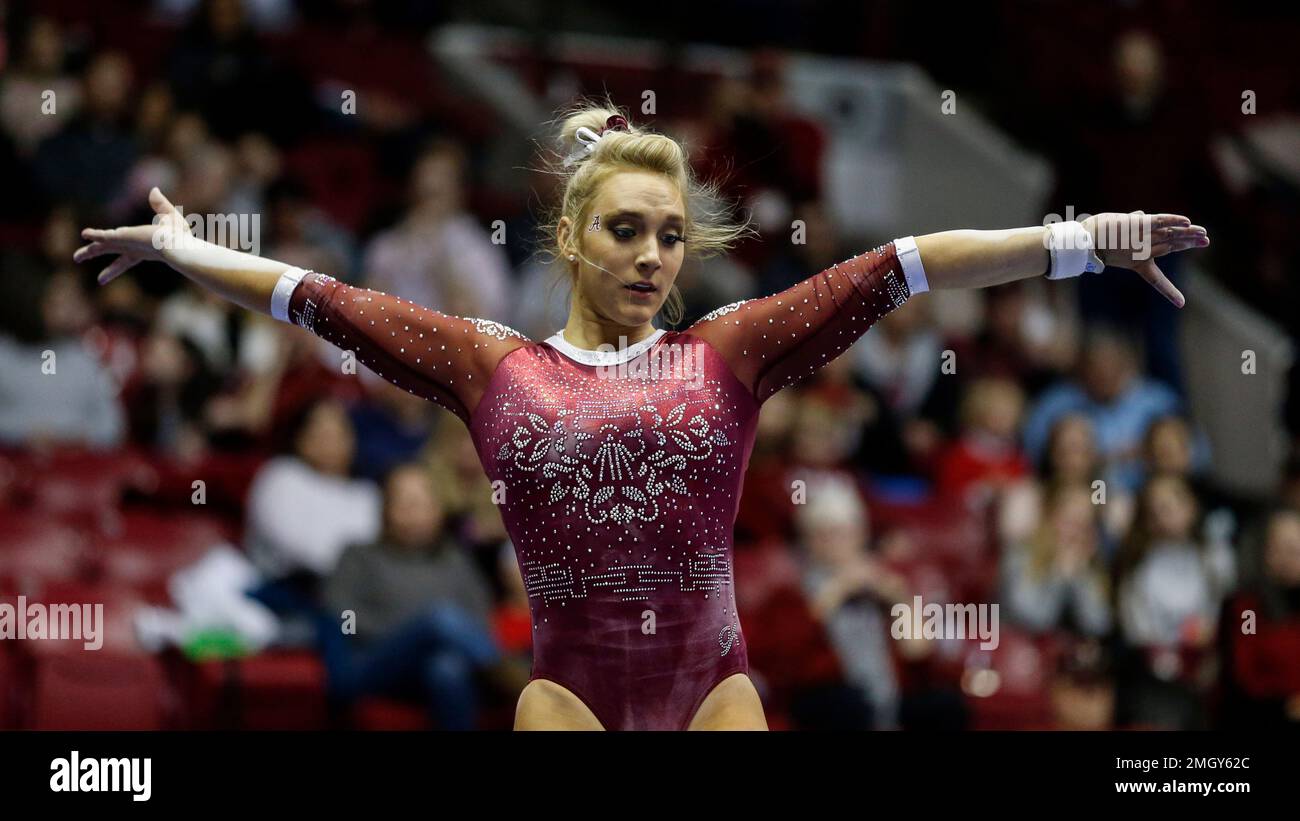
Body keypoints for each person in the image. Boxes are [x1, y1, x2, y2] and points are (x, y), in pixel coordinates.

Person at [74, 100, 1210, 730]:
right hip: (568, 698)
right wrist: (179, 248)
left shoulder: (729, 350)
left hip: (712, 691)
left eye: (670, 234)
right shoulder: (488, 364)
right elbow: (303, 294)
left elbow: (904, 265)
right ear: (571, 238)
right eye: (625, 230)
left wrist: (1080, 239)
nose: (652, 256)